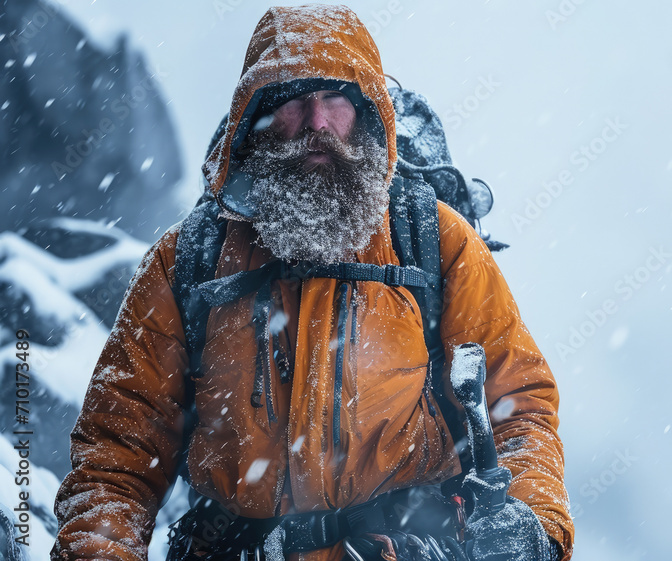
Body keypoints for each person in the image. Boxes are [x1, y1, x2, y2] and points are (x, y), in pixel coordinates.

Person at [51, 5, 573, 561]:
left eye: (336, 98)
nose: (317, 122)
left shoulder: (435, 242)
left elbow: (518, 405)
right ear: (256, 117)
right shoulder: (189, 260)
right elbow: (119, 452)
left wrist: (532, 526)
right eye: (293, 98)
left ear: (369, 114)